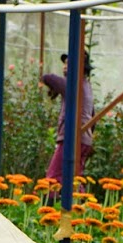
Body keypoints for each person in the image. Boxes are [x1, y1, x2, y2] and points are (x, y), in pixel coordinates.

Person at [40, 51, 95, 183]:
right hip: (84, 140)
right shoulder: (86, 86)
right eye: (65, 63)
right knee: (75, 179)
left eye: (69, 64)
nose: (65, 66)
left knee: (52, 178)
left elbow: (47, 77)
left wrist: (55, 89)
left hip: (71, 138)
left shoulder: (72, 84)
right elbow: (92, 117)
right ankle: (82, 202)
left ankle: (48, 201)